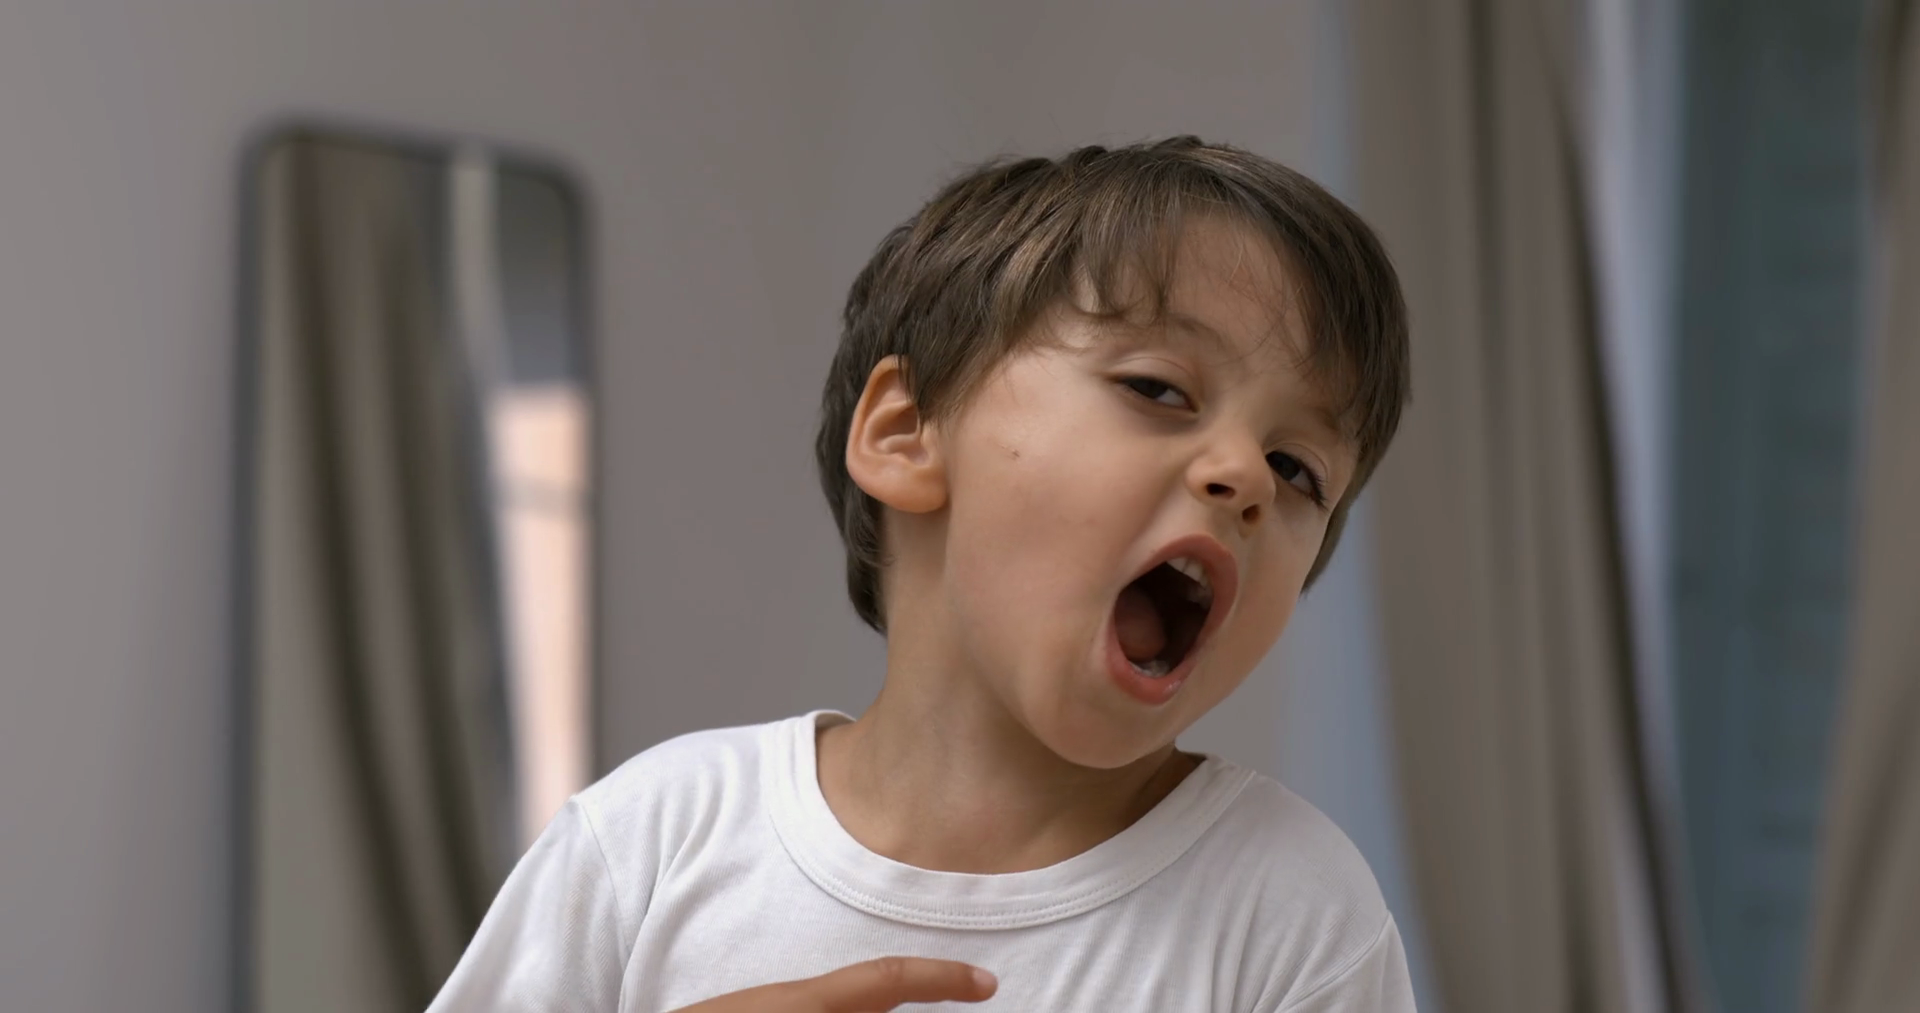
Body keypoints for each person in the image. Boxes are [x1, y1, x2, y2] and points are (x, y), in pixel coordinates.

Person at [429, 136, 1415, 1012]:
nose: (1244, 475)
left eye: (1299, 471)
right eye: (1158, 388)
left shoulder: (1291, 907)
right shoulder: (652, 839)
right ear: (904, 433)